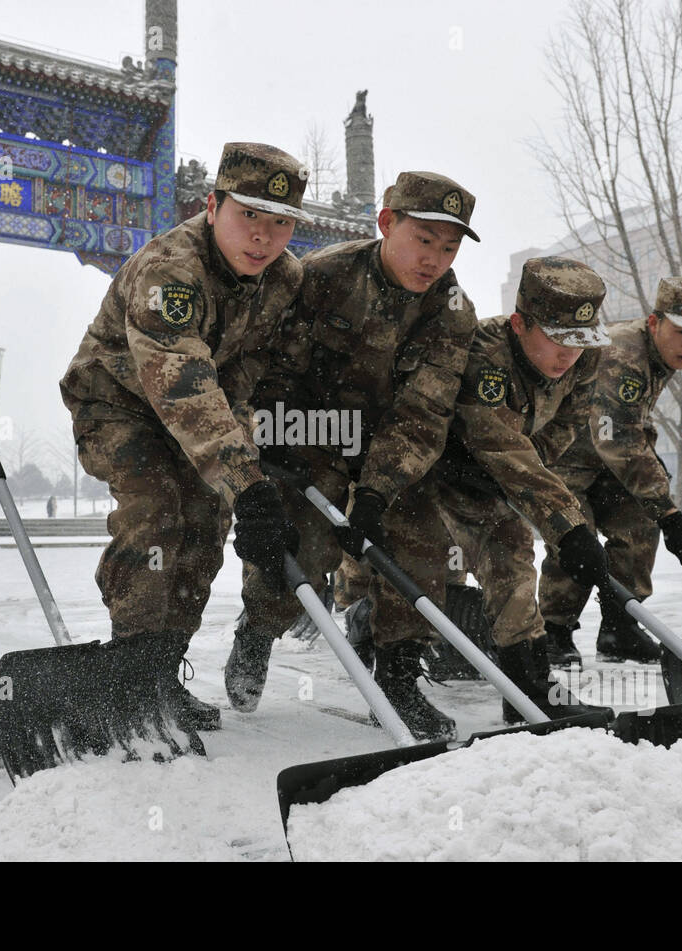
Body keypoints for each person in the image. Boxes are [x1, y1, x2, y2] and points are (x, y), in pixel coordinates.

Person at [61, 142, 309, 739]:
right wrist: (247, 483)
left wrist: (254, 466)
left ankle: (162, 669)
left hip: (207, 412)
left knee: (205, 521)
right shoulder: (171, 270)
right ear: (213, 204)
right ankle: (130, 672)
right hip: (120, 405)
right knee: (157, 508)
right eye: (248, 215)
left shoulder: (285, 280)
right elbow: (181, 383)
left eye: (280, 223)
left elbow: (250, 372)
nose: (263, 237)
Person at [228, 171, 479, 741]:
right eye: (423, 239)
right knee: (302, 552)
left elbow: (424, 410)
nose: (434, 259)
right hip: (307, 433)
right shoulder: (322, 277)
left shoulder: (453, 310)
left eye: (449, 246)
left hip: (388, 441)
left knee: (419, 537)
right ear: (387, 224)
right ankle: (259, 628)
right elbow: (273, 368)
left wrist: (376, 490)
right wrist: (274, 442)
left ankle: (396, 677)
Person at [415, 257, 615, 722]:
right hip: (427, 473)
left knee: (513, 564)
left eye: (581, 341)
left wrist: (519, 484)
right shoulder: (483, 355)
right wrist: (567, 524)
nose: (571, 355)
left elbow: (559, 431)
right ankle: (386, 656)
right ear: (521, 323)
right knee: (419, 579)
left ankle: (529, 691)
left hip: (494, 479)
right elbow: (501, 443)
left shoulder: (585, 360)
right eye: (559, 339)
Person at [538, 277, 682, 665]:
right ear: (655, 323)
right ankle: (553, 631)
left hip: (606, 460)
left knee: (638, 522)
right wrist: (670, 514)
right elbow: (616, 435)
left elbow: (629, 431)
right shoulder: (623, 353)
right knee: (573, 535)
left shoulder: (660, 354)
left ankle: (620, 626)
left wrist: (657, 511)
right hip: (563, 454)